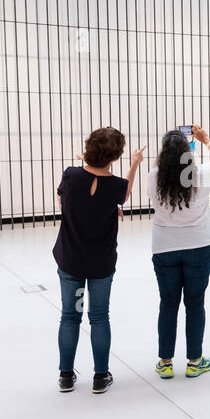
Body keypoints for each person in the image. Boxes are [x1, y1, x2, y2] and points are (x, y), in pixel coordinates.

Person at [52, 127, 144, 394]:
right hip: (101, 263)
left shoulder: (70, 176)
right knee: (99, 317)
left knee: (70, 316)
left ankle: (66, 376)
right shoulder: (115, 187)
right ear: (115, 157)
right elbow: (123, 194)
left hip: (70, 259)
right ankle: (100, 377)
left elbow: (65, 202)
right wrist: (135, 164)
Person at [146, 124, 210, 380]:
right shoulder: (202, 172)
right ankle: (195, 361)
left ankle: (165, 363)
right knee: (195, 304)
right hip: (199, 247)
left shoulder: (154, 176)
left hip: (165, 248)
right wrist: (205, 140)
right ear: (187, 151)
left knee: (168, 304)